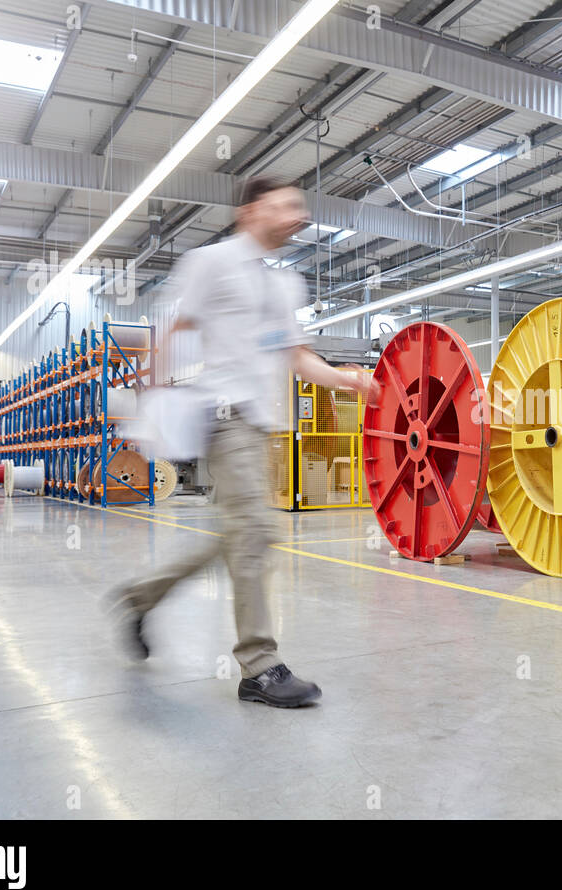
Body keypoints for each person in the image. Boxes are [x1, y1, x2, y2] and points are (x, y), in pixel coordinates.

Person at [108, 176, 380, 708]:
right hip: (223, 417)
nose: (296, 216)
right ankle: (259, 666)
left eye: (299, 208)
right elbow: (175, 328)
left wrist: (349, 380)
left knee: (239, 534)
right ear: (251, 210)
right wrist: (153, 402)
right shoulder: (212, 263)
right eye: (285, 206)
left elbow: (297, 356)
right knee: (255, 528)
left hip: (260, 426)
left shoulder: (282, 286)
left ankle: (141, 597)